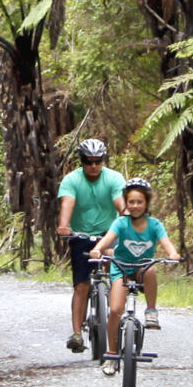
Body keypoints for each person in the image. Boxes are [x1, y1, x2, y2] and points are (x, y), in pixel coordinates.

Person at [88, 178, 181, 374]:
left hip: (141, 268)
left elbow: (166, 242)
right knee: (115, 310)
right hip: (120, 267)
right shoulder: (121, 223)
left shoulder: (155, 225)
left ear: (146, 203)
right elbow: (108, 240)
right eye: (131, 202)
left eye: (139, 202)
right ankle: (112, 354)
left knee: (151, 269)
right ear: (126, 203)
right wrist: (98, 250)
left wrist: (172, 254)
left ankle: (151, 311)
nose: (136, 206)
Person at [55, 138, 125, 353]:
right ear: (82, 161)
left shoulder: (114, 178)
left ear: (103, 160)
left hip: (109, 233)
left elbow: (119, 201)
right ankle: (77, 334)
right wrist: (64, 225)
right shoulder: (72, 180)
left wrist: (128, 217)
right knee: (82, 285)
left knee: (116, 277)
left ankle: (115, 316)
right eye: (88, 162)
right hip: (81, 235)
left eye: (98, 161)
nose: (93, 166)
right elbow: (68, 202)